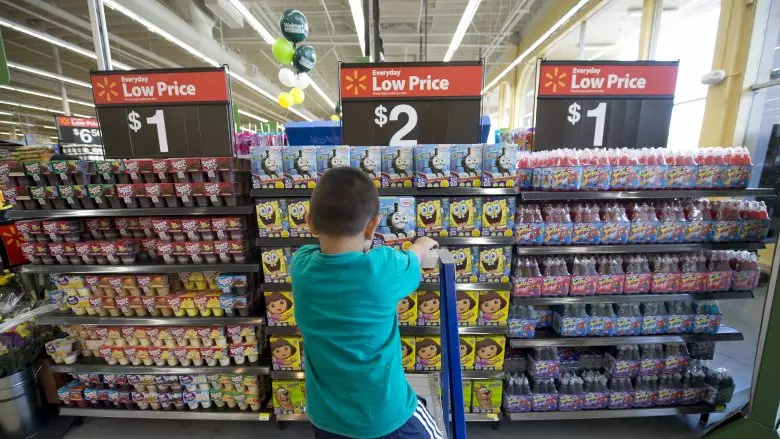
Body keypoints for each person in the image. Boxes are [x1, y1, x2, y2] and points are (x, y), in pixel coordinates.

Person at [291, 167, 442, 439]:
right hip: (386, 416)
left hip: (327, 419)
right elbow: (414, 257)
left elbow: (323, 255)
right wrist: (421, 244)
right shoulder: (384, 267)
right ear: (373, 225)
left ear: (309, 222)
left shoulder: (301, 266)